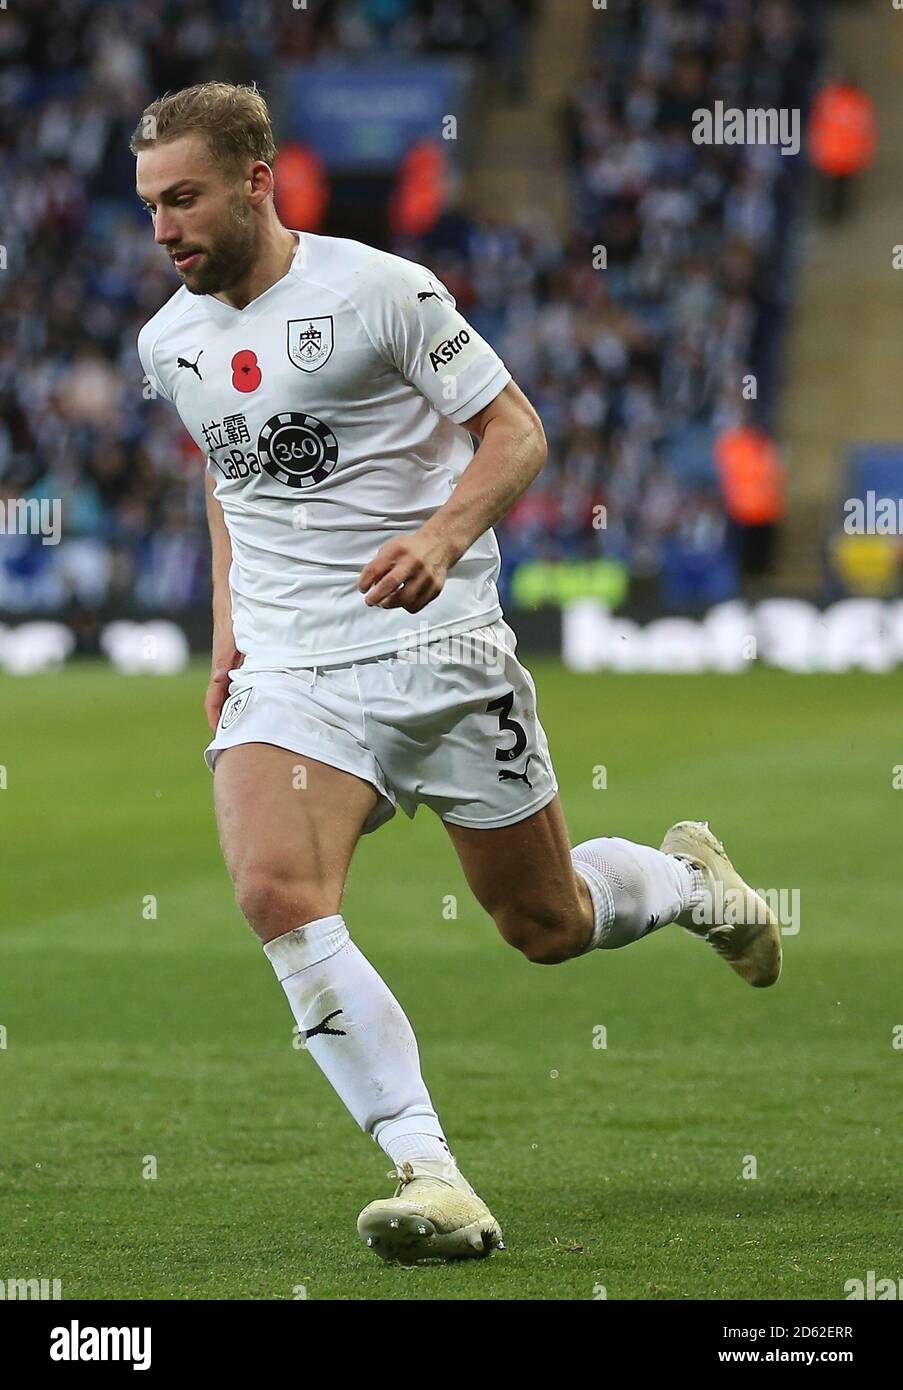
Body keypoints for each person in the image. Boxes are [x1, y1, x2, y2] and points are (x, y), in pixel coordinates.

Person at [132, 81, 782, 1266]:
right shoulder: (166, 342)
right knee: (277, 891)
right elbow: (228, 482)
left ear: (257, 182)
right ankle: (430, 1173)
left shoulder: (381, 291)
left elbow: (518, 430)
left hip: (441, 653)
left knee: (545, 923)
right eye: (150, 206)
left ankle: (689, 883)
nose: (164, 229)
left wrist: (437, 539)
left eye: (185, 200)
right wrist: (228, 636)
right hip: (294, 669)